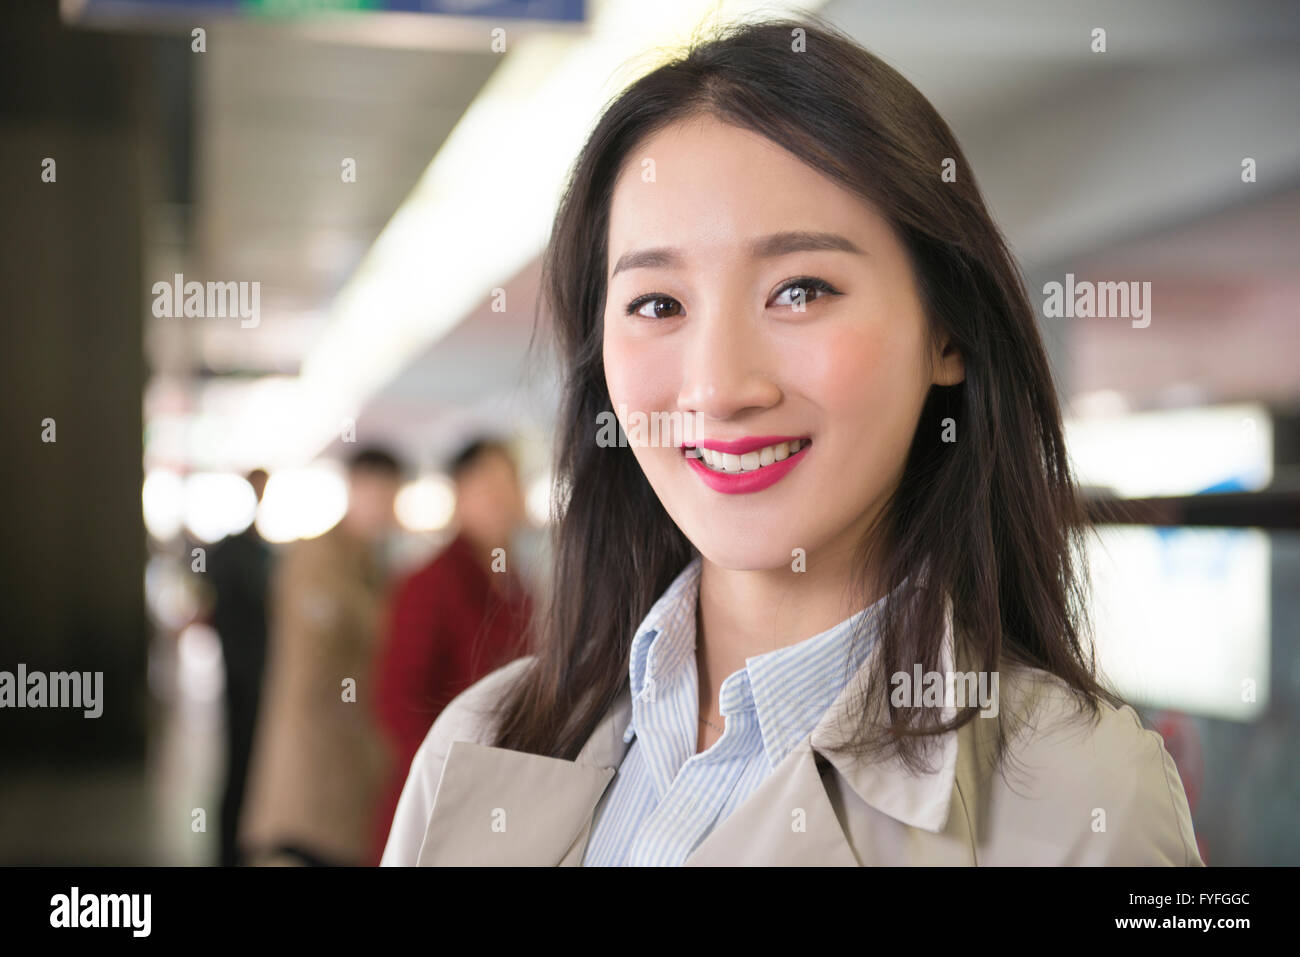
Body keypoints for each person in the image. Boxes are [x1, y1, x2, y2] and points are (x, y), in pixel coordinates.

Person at [382, 17, 1203, 866]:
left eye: (800, 290)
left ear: (948, 334)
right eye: (658, 304)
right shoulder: (483, 737)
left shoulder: (1087, 794)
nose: (717, 387)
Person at [370, 438, 534, 864]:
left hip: (504, 792)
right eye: (486, 488)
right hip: (445, 797)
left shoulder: (516, 582)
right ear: (460, 497)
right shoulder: (430, 583)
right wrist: (456, 775)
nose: (501, 500)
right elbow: (396, 702)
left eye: (508, 485)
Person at [241, 447, 406, 866]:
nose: (386, 504)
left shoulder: (370, 562)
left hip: (352, 765)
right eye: (379, 491)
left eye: (392, 493)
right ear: (355, 487)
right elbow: (335, 648)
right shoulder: (317, 559)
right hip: (315, 763)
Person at [206, 468, 272, 867]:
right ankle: (230, 851)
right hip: (242, 674)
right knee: (240, 762)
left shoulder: (252, 553)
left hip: (252, 672)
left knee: (247, 764)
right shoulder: (237, 554)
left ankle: (237, 848)